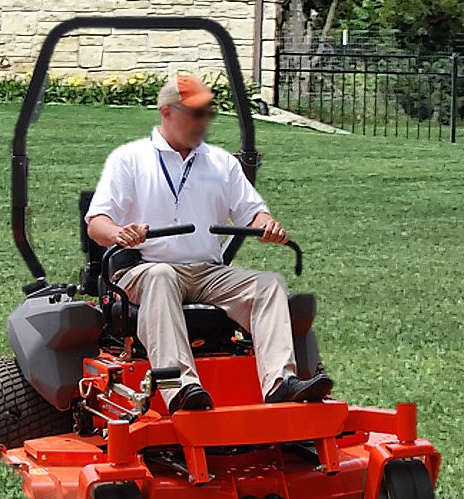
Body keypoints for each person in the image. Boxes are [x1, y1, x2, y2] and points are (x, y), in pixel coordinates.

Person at [85, 73, 333, 412]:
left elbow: (252, 213)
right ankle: (180, 387)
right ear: (166, 112)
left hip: (207, 271)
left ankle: (280, 383)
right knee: (161, 277)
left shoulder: (221, 163)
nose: (202, 122)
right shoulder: (130, 159)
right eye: (193, 113)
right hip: (144, 268)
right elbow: (97, 223)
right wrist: (119, 234)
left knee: (269, 284)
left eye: (206, 114)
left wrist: (267, 226)